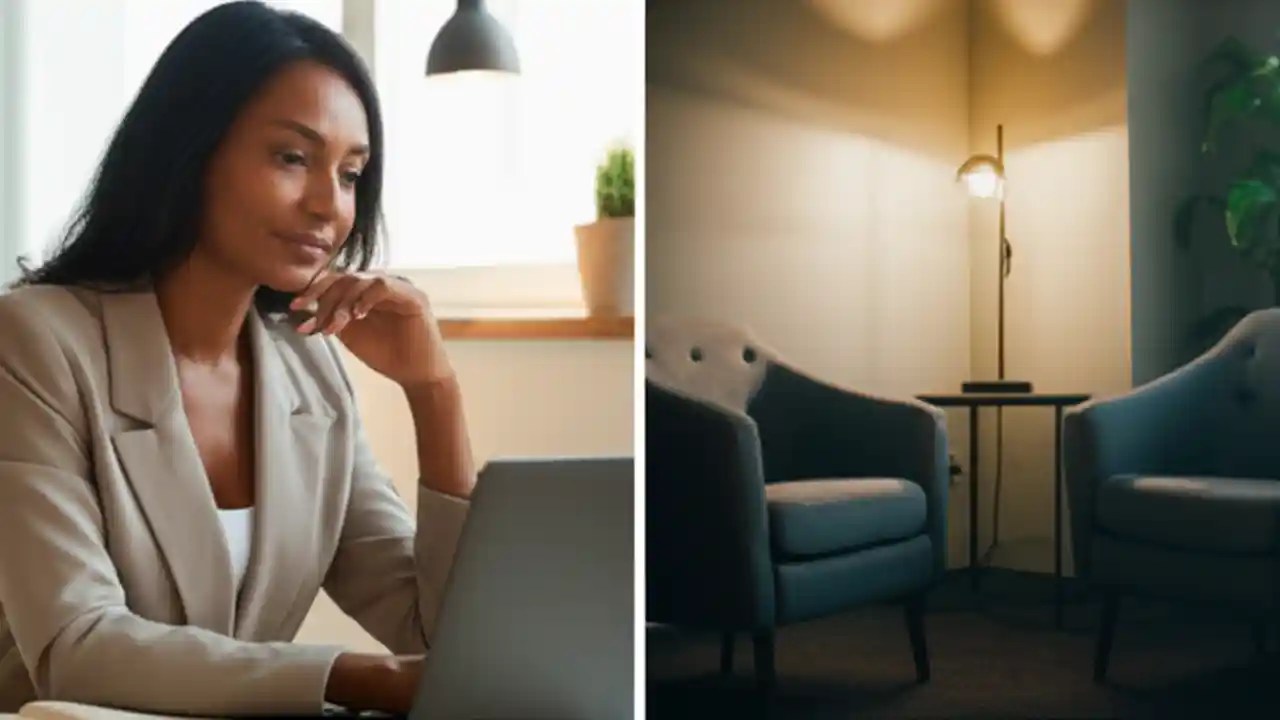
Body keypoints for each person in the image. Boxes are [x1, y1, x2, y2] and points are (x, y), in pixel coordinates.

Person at [0, 1, 474, 715]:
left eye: (350, 173)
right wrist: (352, 676)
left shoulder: (309, 373)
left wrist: (433, 389)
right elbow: (78, 646)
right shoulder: (35, 341)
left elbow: (441, 634)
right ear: (189, 153)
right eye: (292, 157)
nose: (329, 205)